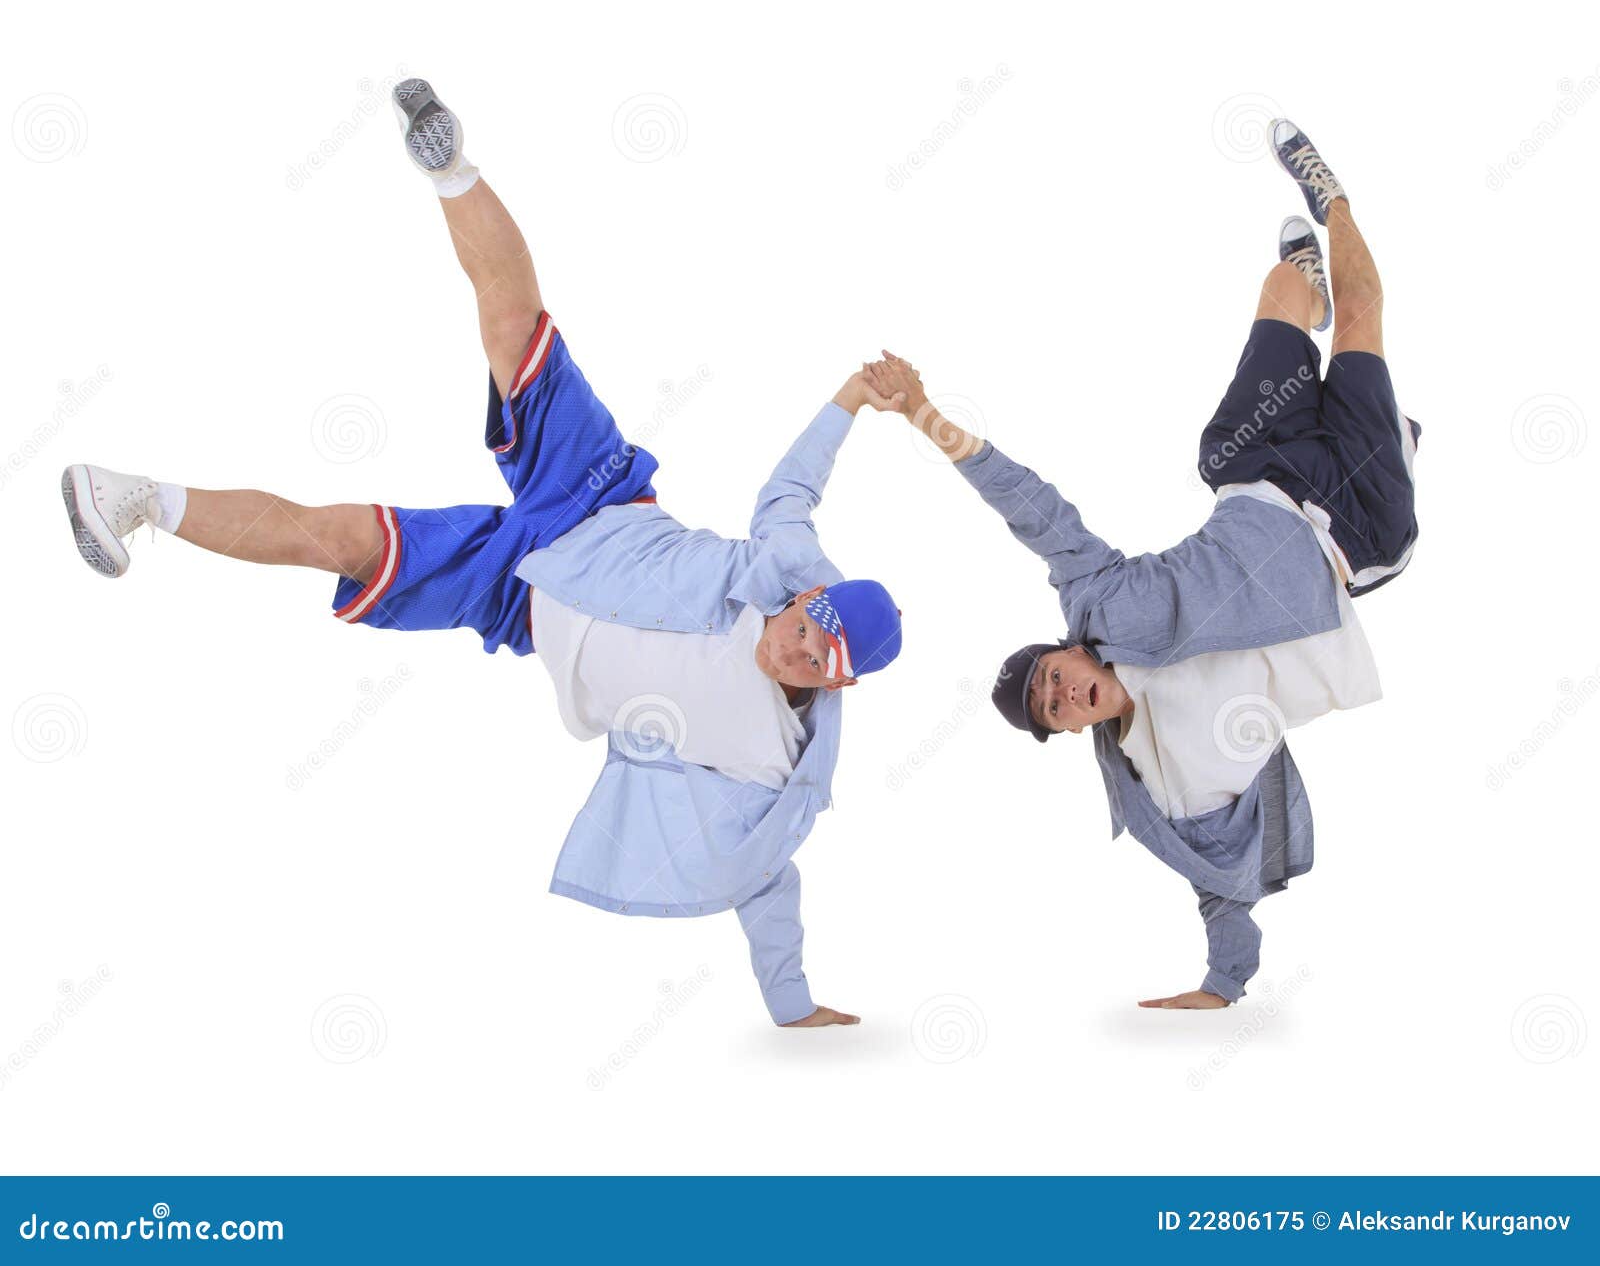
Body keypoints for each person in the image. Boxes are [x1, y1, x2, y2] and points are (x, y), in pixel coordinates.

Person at [61, 79, 905, 1027]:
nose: (794, 643)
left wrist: (792, 1006)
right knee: (516, 329)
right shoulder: (786, 564)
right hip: (600, 500)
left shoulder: (773, 759)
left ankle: (135, 500)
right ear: (806, 600)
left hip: (520, 594)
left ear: (836, 686)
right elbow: (790, 490)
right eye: (805, 623)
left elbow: (763, 869)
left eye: (815, 659)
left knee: (335, 540)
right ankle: (448, 161)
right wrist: (848, 399)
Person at [866, 119, 1417, 1009]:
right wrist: (1220, 986)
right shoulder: (1163, 777)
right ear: (1071, 728)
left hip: (1250, 469)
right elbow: (1218, 875)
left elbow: (1030, 505)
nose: (1063, 697)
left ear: (1067, 651)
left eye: (1051, 678)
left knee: (1279, 286)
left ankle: (1305, 275)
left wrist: (924, 413)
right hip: (1352, 528)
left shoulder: (1098, 597)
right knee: (1364, 320)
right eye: (1054, 713)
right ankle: (1336, 203)